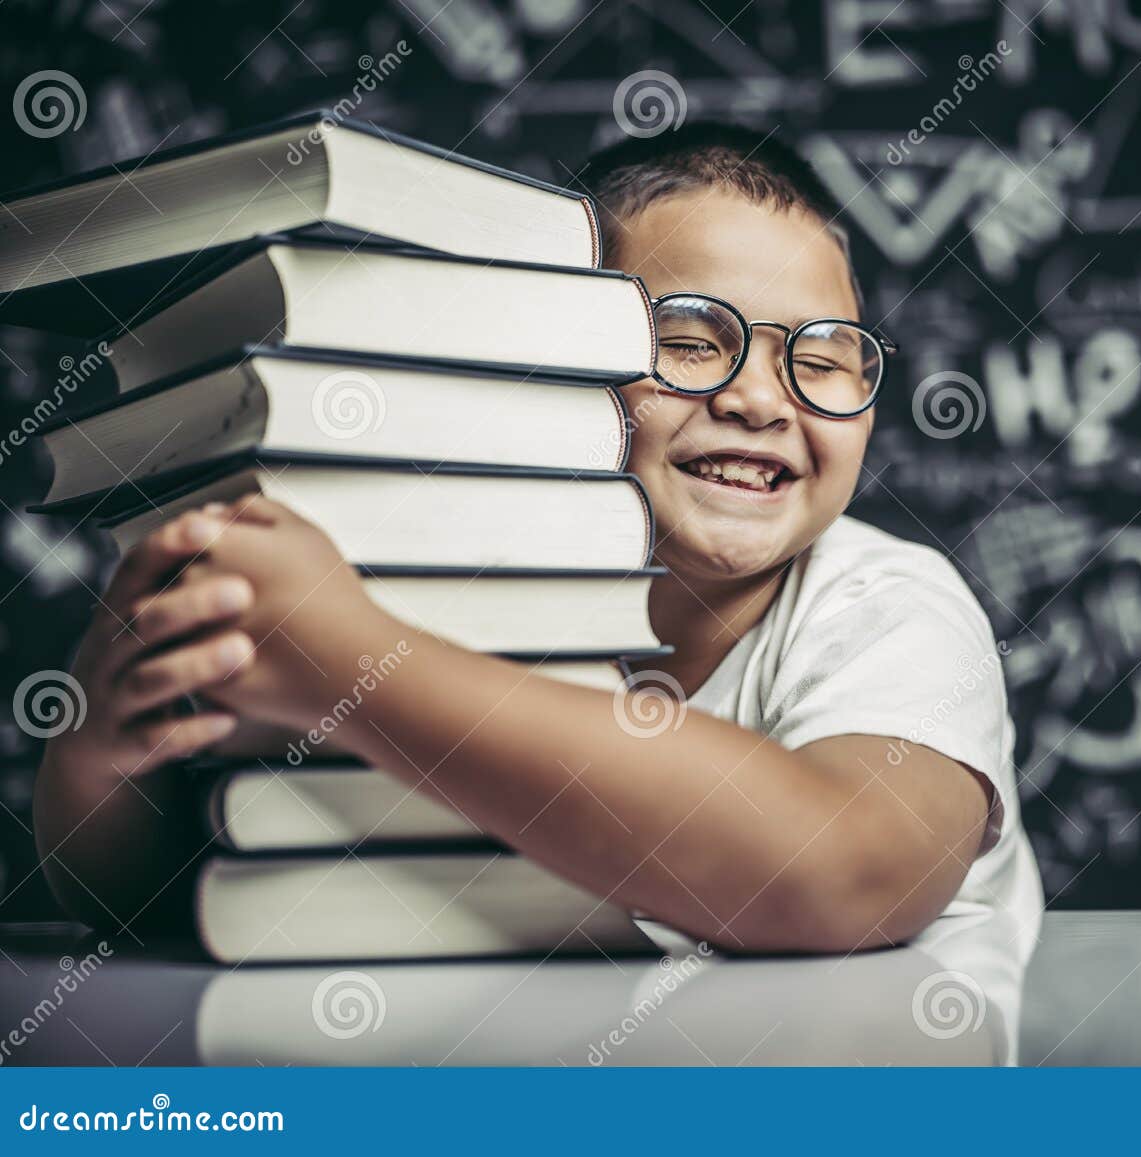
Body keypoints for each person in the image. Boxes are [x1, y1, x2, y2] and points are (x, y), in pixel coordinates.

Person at [33, 123, 1043, 955]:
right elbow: (162, 904)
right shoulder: (426, 576)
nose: (755, 398)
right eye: (688, 337)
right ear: (543, 352)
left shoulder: (891, 607)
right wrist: (98, 757)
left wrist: (340, 657)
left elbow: (846, 873)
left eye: (822, 359)